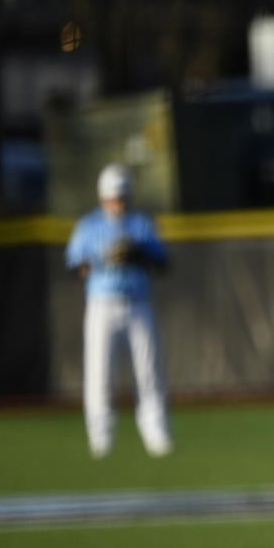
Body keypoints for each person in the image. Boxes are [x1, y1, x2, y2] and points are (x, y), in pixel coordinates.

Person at [64, 163, 173, 458]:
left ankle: (156, 432)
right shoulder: (89, 226)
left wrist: (138, 253)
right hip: (102, 304)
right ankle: (101, 437)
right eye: (113, 197)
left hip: (138, 303)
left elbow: (163, 263)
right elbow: (77, 266)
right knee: (99, 373)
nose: (118, 202)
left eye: (122, 196)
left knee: (149, 370)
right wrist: (105, 260)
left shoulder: (141, 224)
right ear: (103, 197)